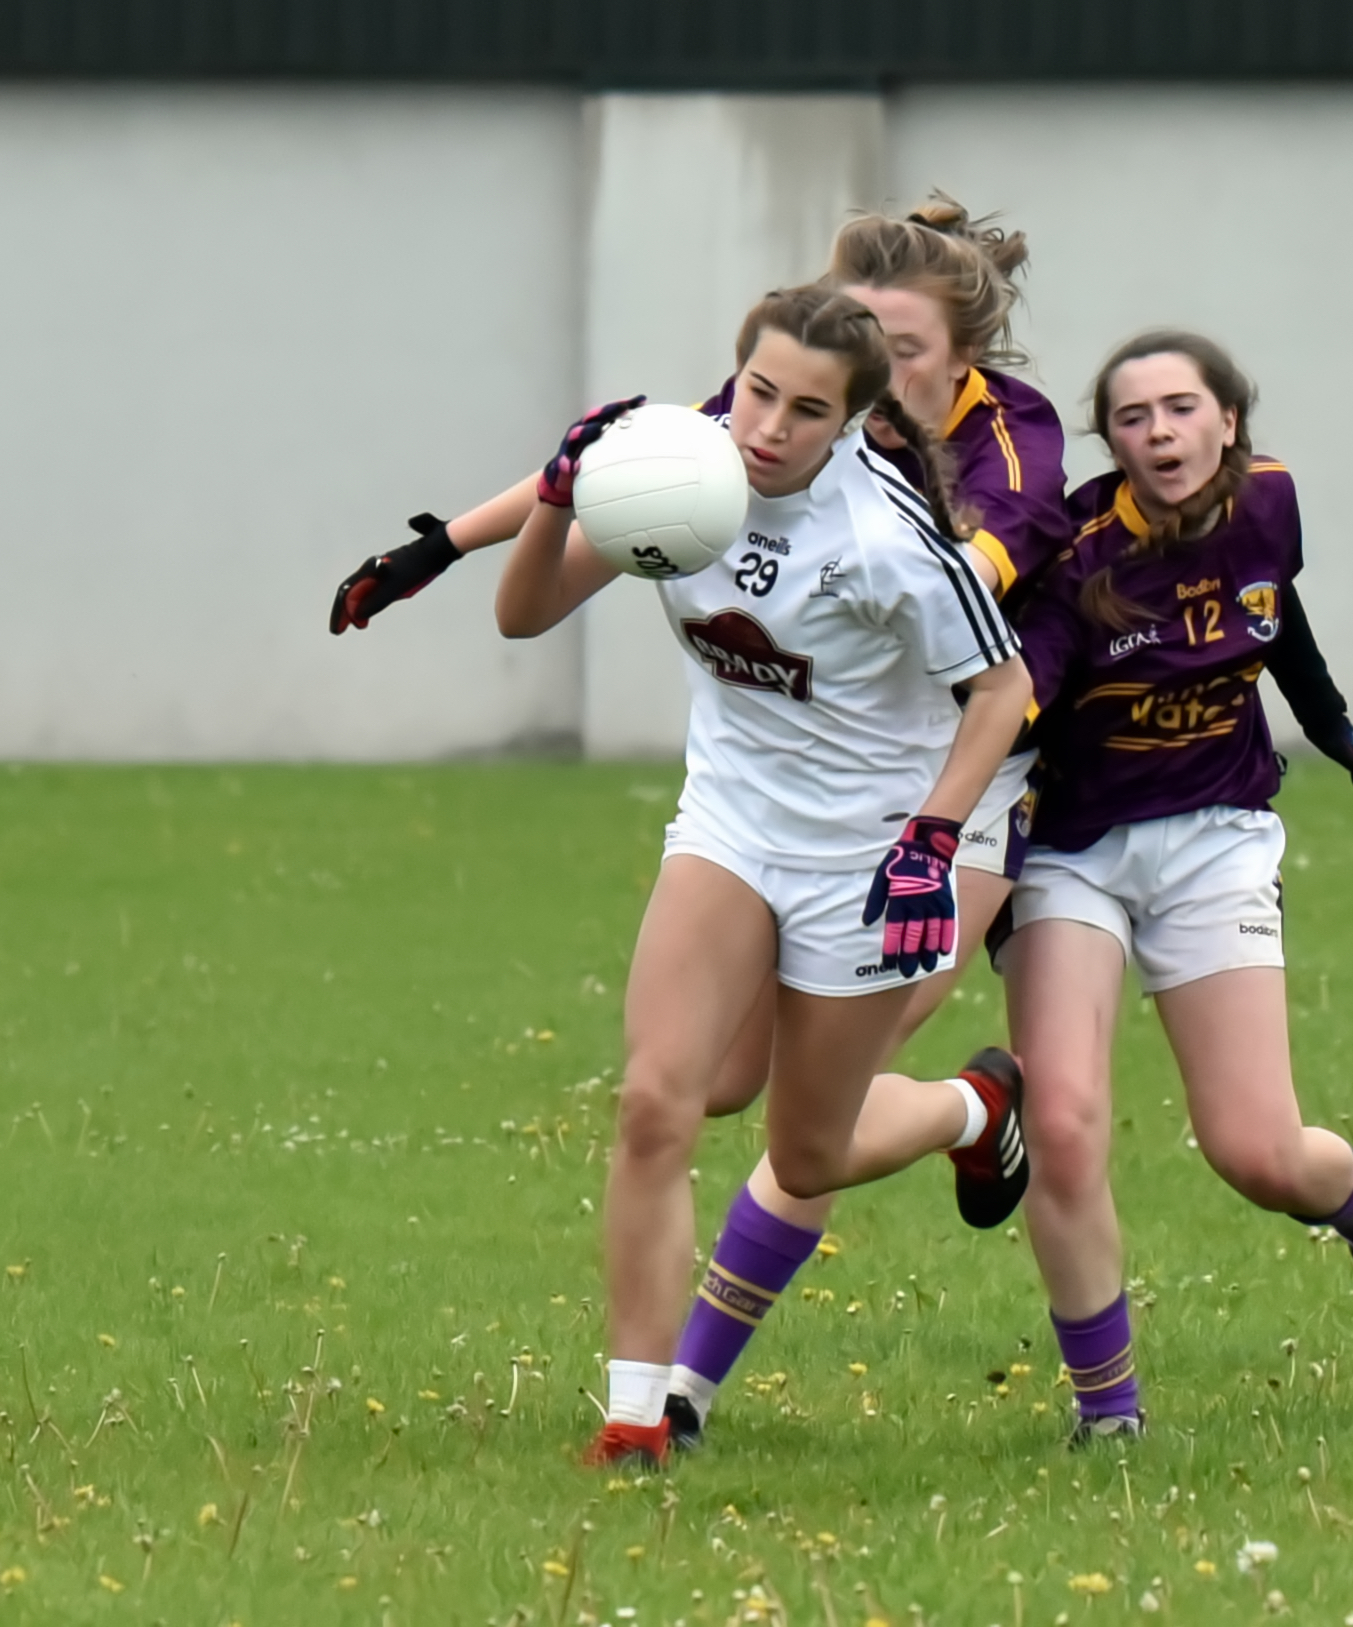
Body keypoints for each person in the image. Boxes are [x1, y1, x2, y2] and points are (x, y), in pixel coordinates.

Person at [349, 285, 1034, 1467]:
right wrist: (558, 499)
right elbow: (528, 615)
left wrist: (933, 835)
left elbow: (1002, 692)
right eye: (759, 391)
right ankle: (634, 1418)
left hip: (865, 854)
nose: (769, 427)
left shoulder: (887, 542)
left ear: (854, 421)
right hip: (729, 824)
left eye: (807, 410)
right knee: (660, 1101)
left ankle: (973, 1109)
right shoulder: (680, 463)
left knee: (806, 1152)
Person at [660, 198, 1073, 1449]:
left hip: (962, 787)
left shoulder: (1016, 441)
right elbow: (651, 468)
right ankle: (971, 1113)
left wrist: (855, 553)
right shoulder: (795, 405)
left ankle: (681, 1393)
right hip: (801, 801)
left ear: (959, 365)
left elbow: (962, 594)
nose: (856, 367)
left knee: (815, 1124)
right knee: (723, 1083)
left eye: (893, 349)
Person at [1001, 330, 1353, 1442]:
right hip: (1073, 847)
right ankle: (1110, 1415)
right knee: (1060, 1121)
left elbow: (1270, 600)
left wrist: (1328, 718)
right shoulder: (1077, 555)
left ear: (1230, 422)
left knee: (1257, 1151)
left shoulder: (1270, 501)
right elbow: (1011, 694)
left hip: (1215, 837)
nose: (1161, 431)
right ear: (1112, 440)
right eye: (1135, 415)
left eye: (1183, 407)